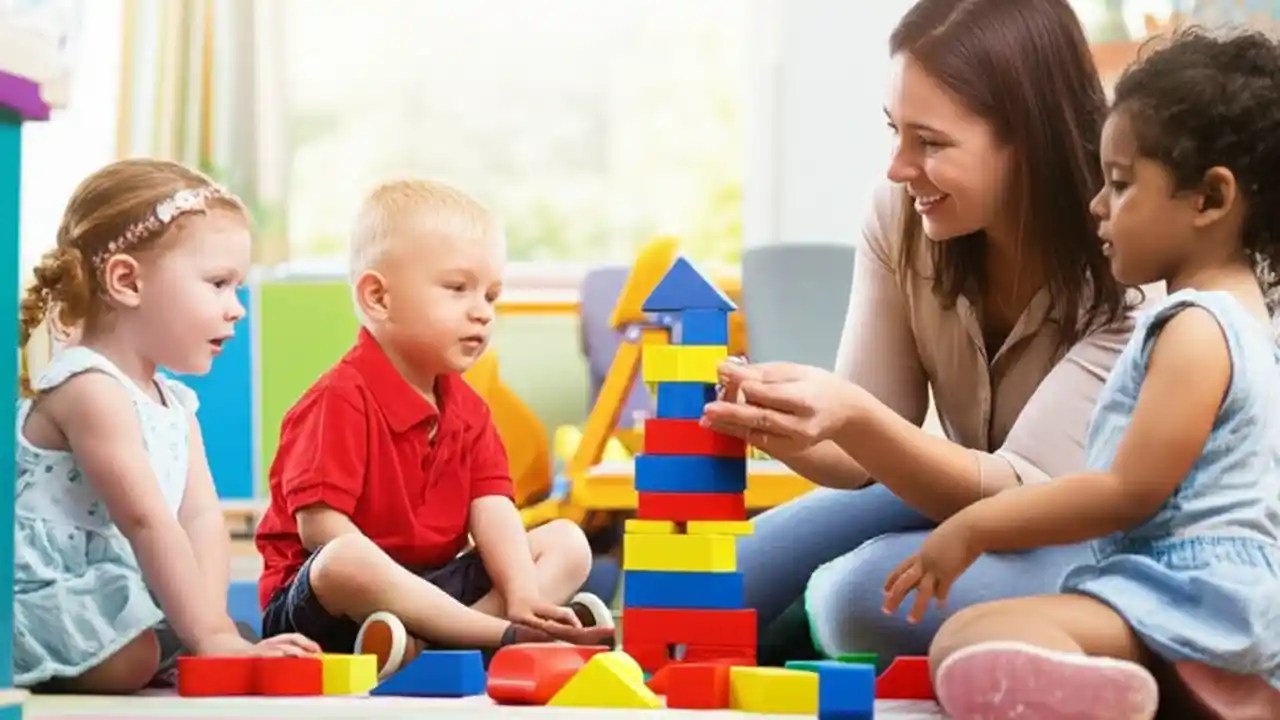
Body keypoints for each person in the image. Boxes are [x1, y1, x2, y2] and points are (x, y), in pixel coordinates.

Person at [701, 0, 1159, 664]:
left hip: (1086, 528)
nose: (896, 166)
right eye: (895, 131)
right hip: (958, 500)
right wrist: (781, 420)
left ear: (1026, 139)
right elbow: (859, 454)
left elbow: (1025, 489)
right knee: (709, 586)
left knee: (861, 597)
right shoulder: (903, 215)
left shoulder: (1132, 259)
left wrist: (851, 415)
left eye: (930, 142)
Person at [883, 27, 1280, 720]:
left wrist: (975, 529)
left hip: (1193, 592)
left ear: (1210, 200)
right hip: (1221, 599)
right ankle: (1188, 693)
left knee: (970, 634)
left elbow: (1128, 490)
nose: (1098, 205)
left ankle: (1116, 700)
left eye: (1121, 185)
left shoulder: (1195, 327)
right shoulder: (1250, 320)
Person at [255, 179, 614, 679]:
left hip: (430, 592)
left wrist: (524, 593)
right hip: (329, 607)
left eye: (491, 295)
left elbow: (493, 511)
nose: (482, 311)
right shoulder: (339, 398)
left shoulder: (470, 410)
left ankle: (451, 642)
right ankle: (496, 638)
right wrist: (405, 589)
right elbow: (320, 530)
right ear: (378, 297)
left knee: (568, 542)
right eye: (457, 288)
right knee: (346, 558)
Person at [13, 159, 319, 693]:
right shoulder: (90, 388)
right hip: (38, 590)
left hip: (114, 585)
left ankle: (180, 635)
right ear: (127, 281)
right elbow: (147, 521)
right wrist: (211, 635)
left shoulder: (175, 403)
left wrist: (215, 628)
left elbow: (200, 517)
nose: (237, 309)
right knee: (135, 656)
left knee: (198, 633)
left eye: (238, 287)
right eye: (219, 284)